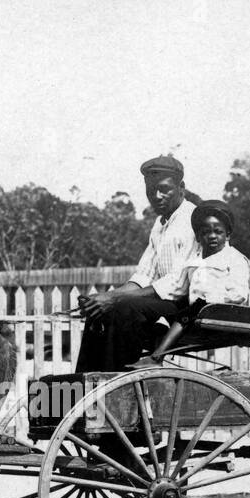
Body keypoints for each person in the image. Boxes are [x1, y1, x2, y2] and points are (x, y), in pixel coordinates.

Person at [75, 155, 201, 372]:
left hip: (187, 306)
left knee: (125, 308)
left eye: (164, 189)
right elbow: (144, 275)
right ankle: (85, 384)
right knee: (99, 312)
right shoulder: (160, 224)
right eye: (151, 190)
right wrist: (103, 299)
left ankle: (114, 383)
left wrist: (113, 298)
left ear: (181, 187)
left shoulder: (193, 218)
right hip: (162, 302)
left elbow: (177, 285)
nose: (156, 196)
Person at [127, 199, 250, 367]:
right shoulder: (193, 262)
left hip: (219, 309)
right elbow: (179, 287)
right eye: (206, 232)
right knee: (163, 311)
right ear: (198, 236)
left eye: (218, 232)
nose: (212, 236)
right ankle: (152, 343)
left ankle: (157, 358)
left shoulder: (235, 259)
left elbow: (239, 293)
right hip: (193, 306)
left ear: (228, 234)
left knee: (186, 315)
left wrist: (212, 298)